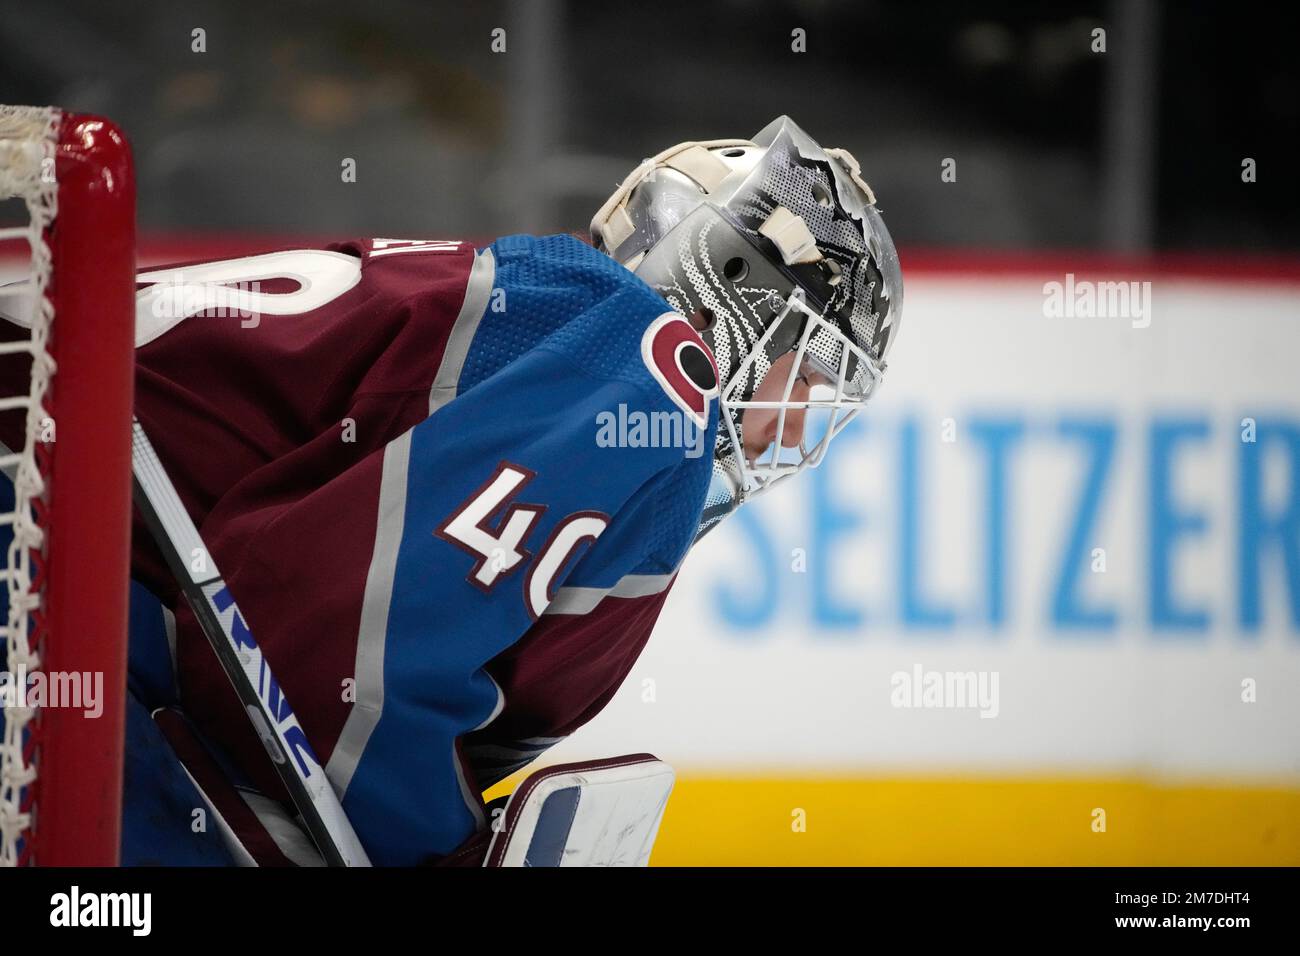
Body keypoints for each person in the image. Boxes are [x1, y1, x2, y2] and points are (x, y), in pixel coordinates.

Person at [0, 115, 902, 865]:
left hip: (63, 554)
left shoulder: (559, 336)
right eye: (808, 374)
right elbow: (329, 672)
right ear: (730, 294)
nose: (793, 427)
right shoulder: (653, 372)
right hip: (38, 554)